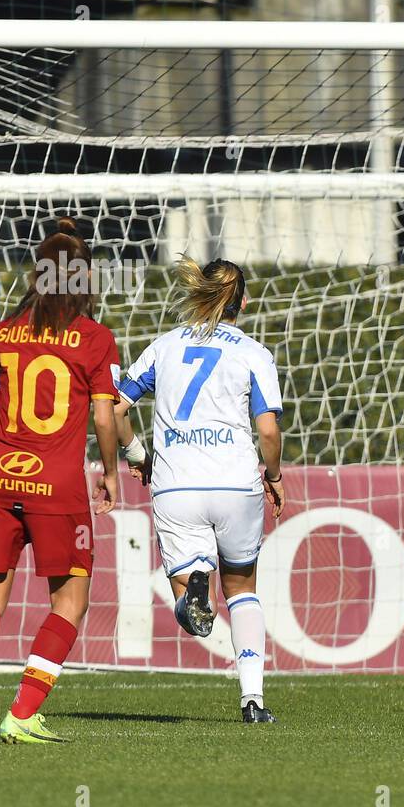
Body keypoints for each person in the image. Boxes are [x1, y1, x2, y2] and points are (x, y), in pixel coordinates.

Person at [0, 216, 121, 745]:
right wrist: (109, 474)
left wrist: (3, 467)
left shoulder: (2, 333)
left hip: (0, 477)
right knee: (70, 599)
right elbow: (105, 419)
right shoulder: (95, 339)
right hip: (58, 487)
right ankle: (22, 712)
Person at [114, 256, 284, 723]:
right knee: (243, 588)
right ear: (243, 302)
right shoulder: (254, 353)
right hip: (236, 483)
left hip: (176, 483)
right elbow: (267, 431)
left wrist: (135, 454)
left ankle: (194, 595)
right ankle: (253, 701)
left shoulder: (163, 347)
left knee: (192, 597)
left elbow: (114, 409)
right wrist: (274, 476)